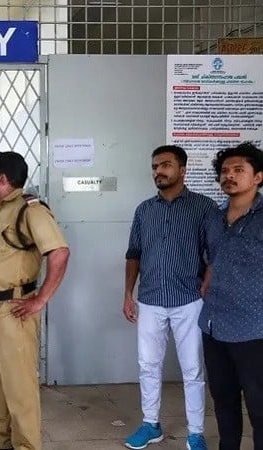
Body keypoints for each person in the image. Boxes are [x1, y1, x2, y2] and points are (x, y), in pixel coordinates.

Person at [0, 151, 70, 450]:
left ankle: (26, 446)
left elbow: (59, 253)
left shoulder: (31, 210)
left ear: (2, 179)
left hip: (13, 310)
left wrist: (40, 300)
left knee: (19, 385)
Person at [122, 145, 214, 450]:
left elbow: (215, 253)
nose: (158, 171)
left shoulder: (203, 207)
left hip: (189, 299)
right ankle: (151, 424)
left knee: (193, 370)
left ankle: (196, 433)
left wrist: (207, 284)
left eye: (165, 165)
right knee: (148, 365)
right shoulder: (144, 210)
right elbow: (134, 254)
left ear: (182, 170)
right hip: (150, 299)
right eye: (154, 166)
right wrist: (128, 294)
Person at [200, 142, 263, 450]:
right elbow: (214, 257)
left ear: (258, 178)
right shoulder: (214, 216)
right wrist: (209, 280)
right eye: (225, 171)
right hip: (213, 324)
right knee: (223, 401)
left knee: (259, 406)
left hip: (254, 328)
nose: (230, 176)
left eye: (239, 170)